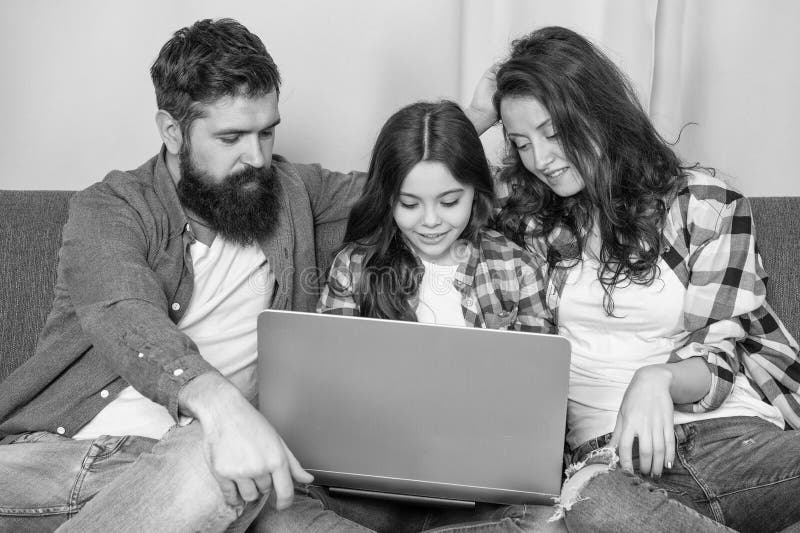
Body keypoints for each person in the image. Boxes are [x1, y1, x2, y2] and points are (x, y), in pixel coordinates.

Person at [0, 18, 376, 532]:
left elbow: (411, 189)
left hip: (236, 476)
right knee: (208, 456)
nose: (257, 158)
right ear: (172, 131)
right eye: (231, 137)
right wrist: (222, 407)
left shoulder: (294, 192)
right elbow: (123, 312)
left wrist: (474, 119)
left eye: (267, 132)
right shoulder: (111, 208)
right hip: (62, 460)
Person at [467, 26, 800, 532]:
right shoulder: (527, 219)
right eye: (521, 143)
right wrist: (476, 115)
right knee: (595, 507)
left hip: (737, 442)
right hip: (616, 467)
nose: (541, 159)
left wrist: (657, 379)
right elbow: (414, 194)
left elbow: (722, 353)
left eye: (553, 133)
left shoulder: (704, 204)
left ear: (599, 112)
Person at [317, 100, 565, 533]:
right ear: (387, 198)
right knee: (283, 500)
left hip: (485, 491)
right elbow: (328, 392)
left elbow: (538, 405)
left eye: (449, 201)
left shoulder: (517, 267)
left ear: (476, 193)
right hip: (374, 484)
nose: (430, 222)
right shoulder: (354, 267)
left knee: (548, 522)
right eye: (409, 204)